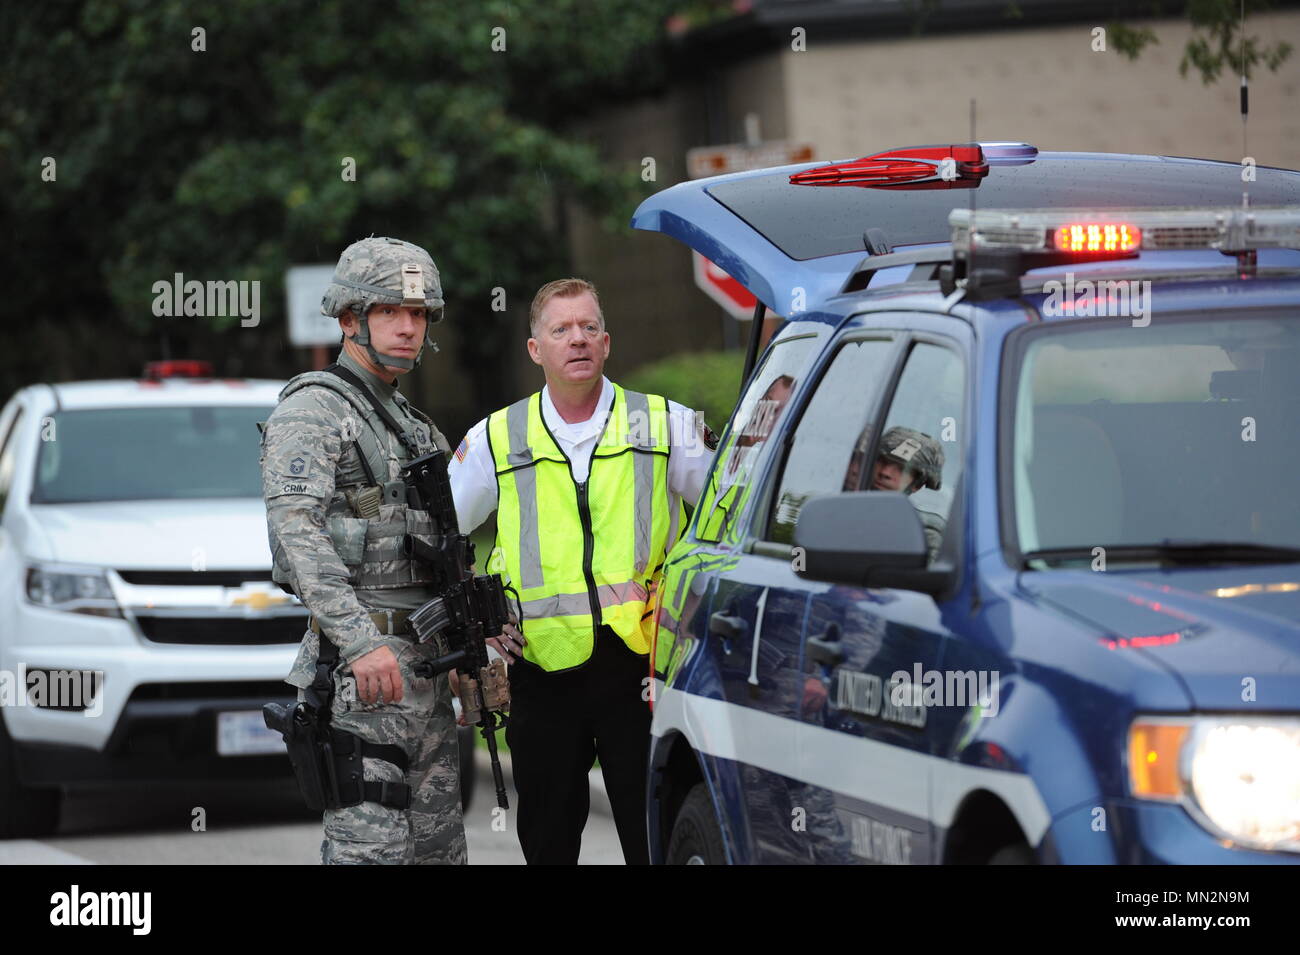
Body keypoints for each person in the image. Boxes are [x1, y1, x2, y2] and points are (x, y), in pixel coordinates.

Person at [448, 277, 715, 864]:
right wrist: (477, 622)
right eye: (561, 329)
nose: (578, 340)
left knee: (655, 838)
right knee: (548, 843)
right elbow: (442, 536)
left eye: (589, 327)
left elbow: (724, 522)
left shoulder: (663, 423)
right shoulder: (498, 436)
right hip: (540, 670)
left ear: (608, 342)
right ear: (535, 349)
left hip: (642, 667)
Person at [260, 236, 465, 865]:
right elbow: (297, 532)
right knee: (369, 853)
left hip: (426, 671)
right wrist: (358, 640)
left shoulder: (413, 424)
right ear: (351, 319)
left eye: (419, 315)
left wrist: (467, 646)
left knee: (439, 855)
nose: (408, 328)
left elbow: (443, 548)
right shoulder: (313, 410)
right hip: (366, 676)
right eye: (391, 313)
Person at [864, 426, 947, 562]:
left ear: (917, 485)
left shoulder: (923, 534)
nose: (885, 472)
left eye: (901, 469)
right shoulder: (840, 507)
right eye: (883, 461)